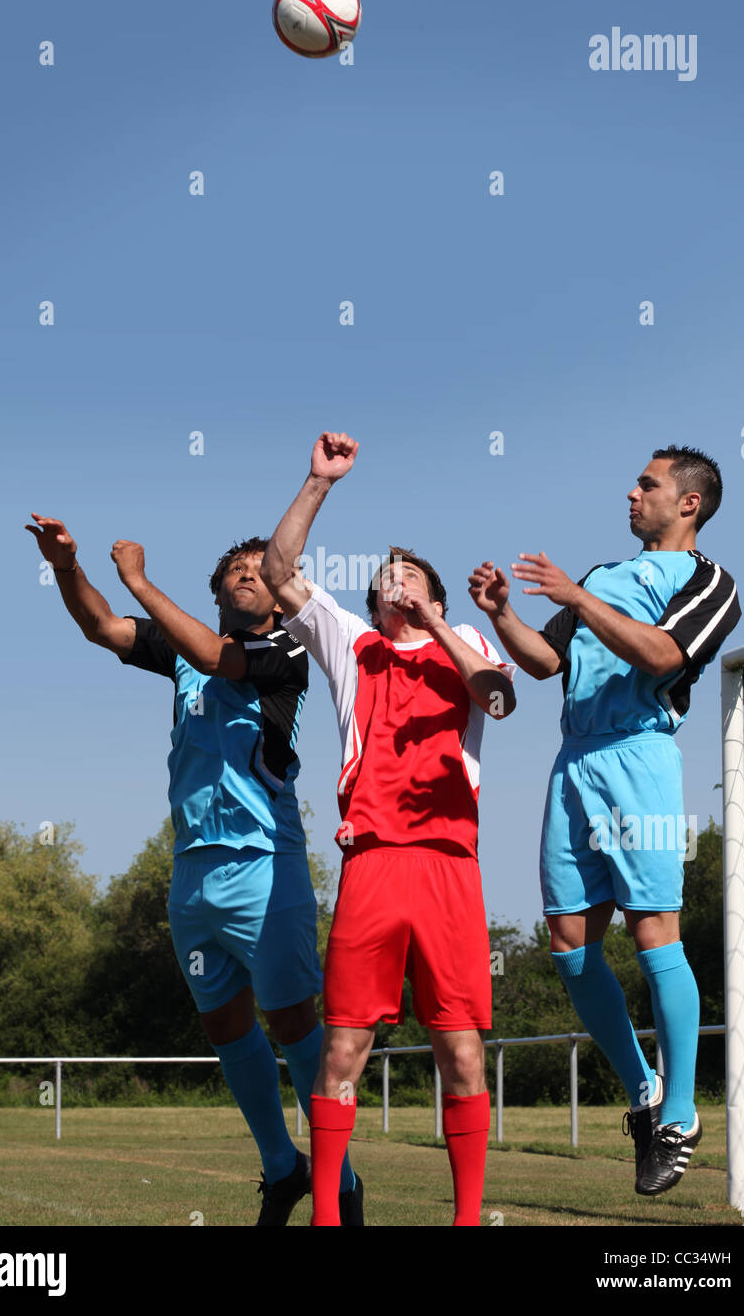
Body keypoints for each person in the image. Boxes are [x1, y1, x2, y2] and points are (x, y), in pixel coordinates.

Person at [25, 514, 359, 1225]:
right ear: (216, 592)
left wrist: (141, 581)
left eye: (260, 569)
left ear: (278, 596)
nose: (248, 572)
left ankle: (342, 1181)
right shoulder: (183, 648)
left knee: (295, 1023)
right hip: (192, 874)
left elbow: (215, 659)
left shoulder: (288, 649)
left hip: (265, 865)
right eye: (235, 567)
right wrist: (64, 566)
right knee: (225, 1029)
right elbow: (102, 627)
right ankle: (281, 1168)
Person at [468, 445, 741, 1194]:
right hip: (573, 763)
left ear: (688, 503)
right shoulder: (599, 577)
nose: (632, 491)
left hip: (640, 762)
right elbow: (543, 664)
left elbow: (663, 655)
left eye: (647, 484)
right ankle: (645, 1092)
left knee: (654, 931)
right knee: (568, 943)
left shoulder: (710, 581)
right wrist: (503, 614)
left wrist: (580, 600)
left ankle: (681, 1115)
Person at [260, 433, 516, 1227]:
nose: (394, 579)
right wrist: (318, 481)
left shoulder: (465, 644)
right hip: (370, 864)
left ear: (432, 593)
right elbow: (278, 571)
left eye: (409, 573)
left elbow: (500, 702)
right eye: (386, 576)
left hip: (447, 864)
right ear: (370, 599)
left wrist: (436, 622)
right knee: (342, 1050)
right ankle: (330, 1217)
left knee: (461, 1050)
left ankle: (467, 1219)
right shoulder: (350, 643)